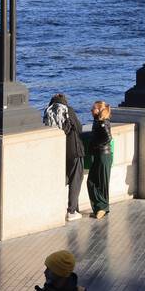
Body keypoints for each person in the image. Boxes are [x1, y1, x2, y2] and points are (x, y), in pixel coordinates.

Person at [45, 93, 85, 221]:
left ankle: (54, 208)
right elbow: (78, 128)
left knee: (62, 179)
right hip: (74, 151)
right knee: (75, 180)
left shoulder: (48, 112)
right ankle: (72, 211)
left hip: (58, 151)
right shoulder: (69, 111)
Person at [86, 101, 113, 219]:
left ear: (98, 110)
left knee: (93, 182)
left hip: (103, 155)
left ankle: (102, 207)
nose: (91, 110)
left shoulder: (102, 122)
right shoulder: (99, 121)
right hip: (101, 155)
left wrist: (96, 145)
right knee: (101, 183)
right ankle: (102, 208)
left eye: (93, 108)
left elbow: (108, 137)